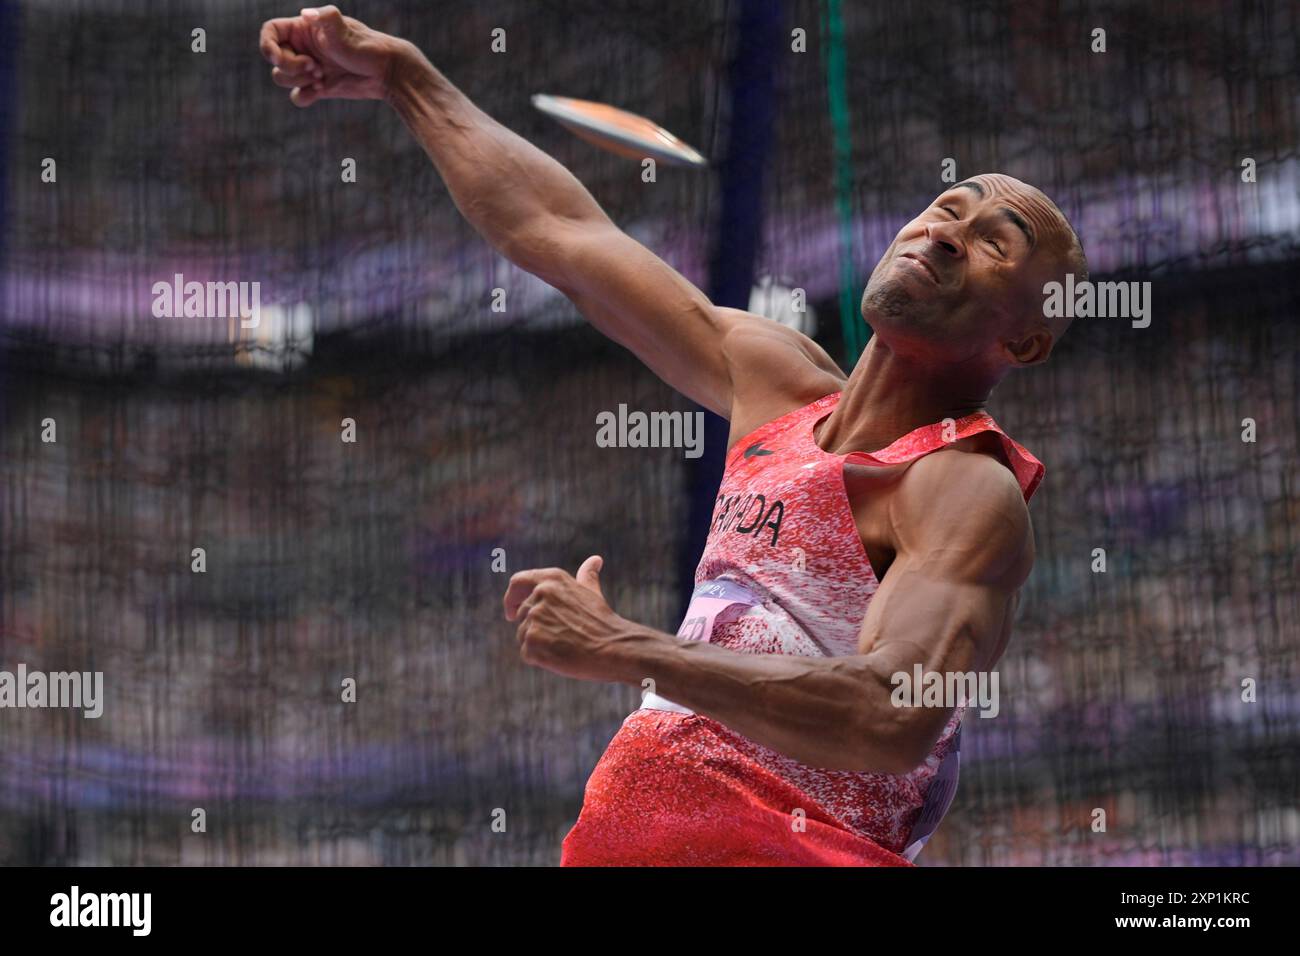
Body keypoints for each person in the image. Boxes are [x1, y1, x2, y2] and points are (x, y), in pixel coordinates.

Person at [261, 6, 1087, 866]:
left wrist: (628, 649)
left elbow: (891, 714)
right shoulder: (776, 384)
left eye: (995, 242)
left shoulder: (960, 485)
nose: (947, 232)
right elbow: (564, 235)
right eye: (945, 209)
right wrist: (405, 77)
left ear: (1026, 338)